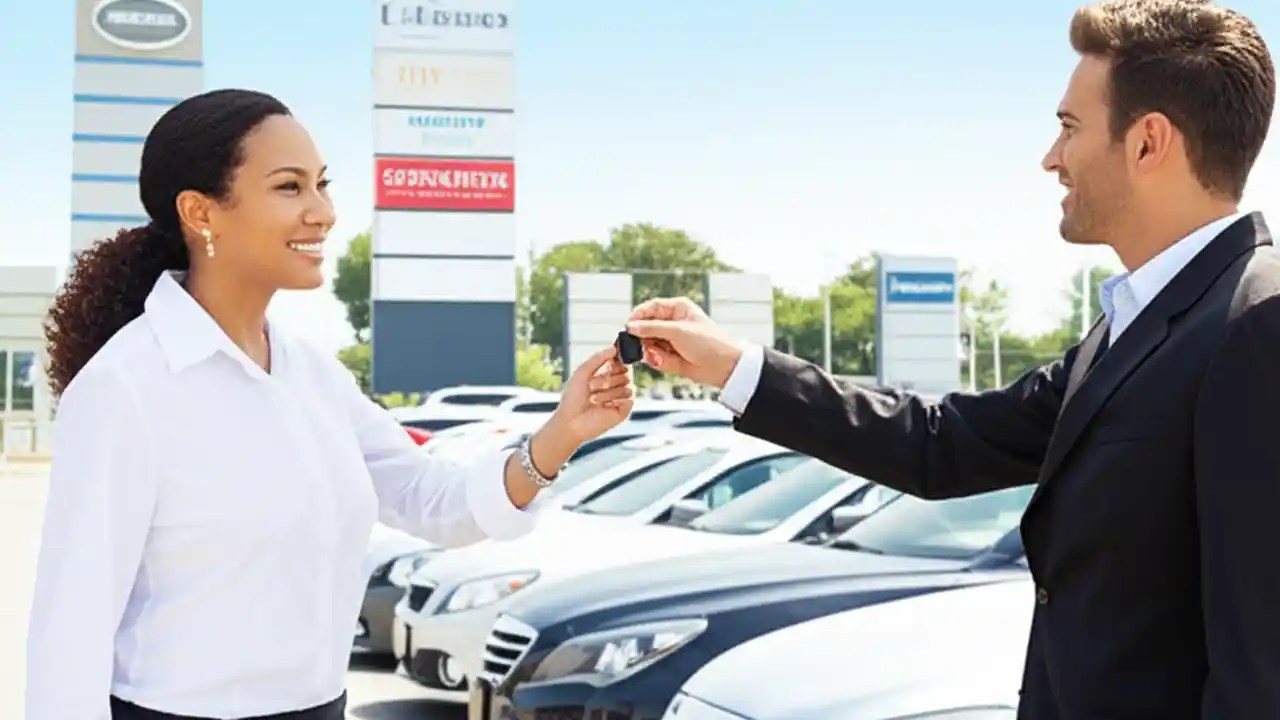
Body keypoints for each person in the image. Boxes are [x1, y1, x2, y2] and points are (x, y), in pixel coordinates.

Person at [625, 1, 1276, 718]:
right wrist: (734, 366)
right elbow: (943, 444)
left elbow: (1261, 668)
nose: (1051, 158)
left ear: (1149, 142)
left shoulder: (1255, 326)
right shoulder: (1130, 327)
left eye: (1068, 127)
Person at [24, 88, 635, 720]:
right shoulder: (124, 389)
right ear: (201, 213)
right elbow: (68, 641)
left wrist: (563, 432)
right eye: (290, 188)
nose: (323, 212)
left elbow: (438, 502)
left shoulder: (312, 374)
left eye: (322, 184)